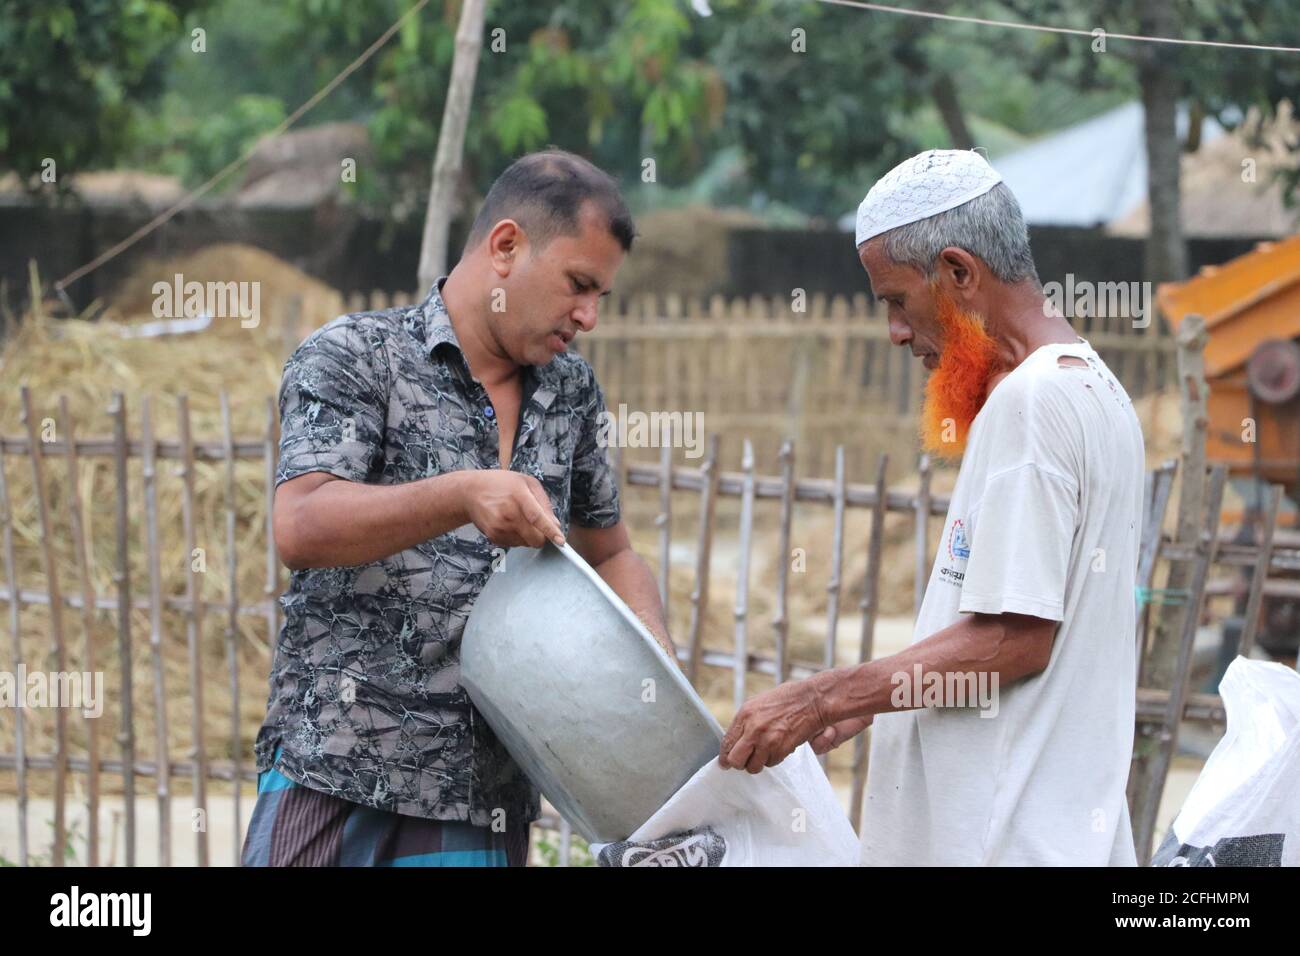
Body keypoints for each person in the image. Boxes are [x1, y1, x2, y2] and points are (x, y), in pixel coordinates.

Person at [242, 149, 670, 867]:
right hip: (335, 771)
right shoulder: (356, 357)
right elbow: (302, 524)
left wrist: (650, 662)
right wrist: (463, 494)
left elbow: (612, 553)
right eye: (578, 284)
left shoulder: (572, 394)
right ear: (506, 247)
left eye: (602, 296)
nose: (589, 317)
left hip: (481, 797)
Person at [717, 149, 1144, 866]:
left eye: (895, 300)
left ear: (958, 273)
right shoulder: (1091, 386)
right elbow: (996, 630)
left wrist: (823, 697)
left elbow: (1013, 641)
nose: (893, 331)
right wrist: (867, 701)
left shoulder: (1032, 405)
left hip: (1003, 844)